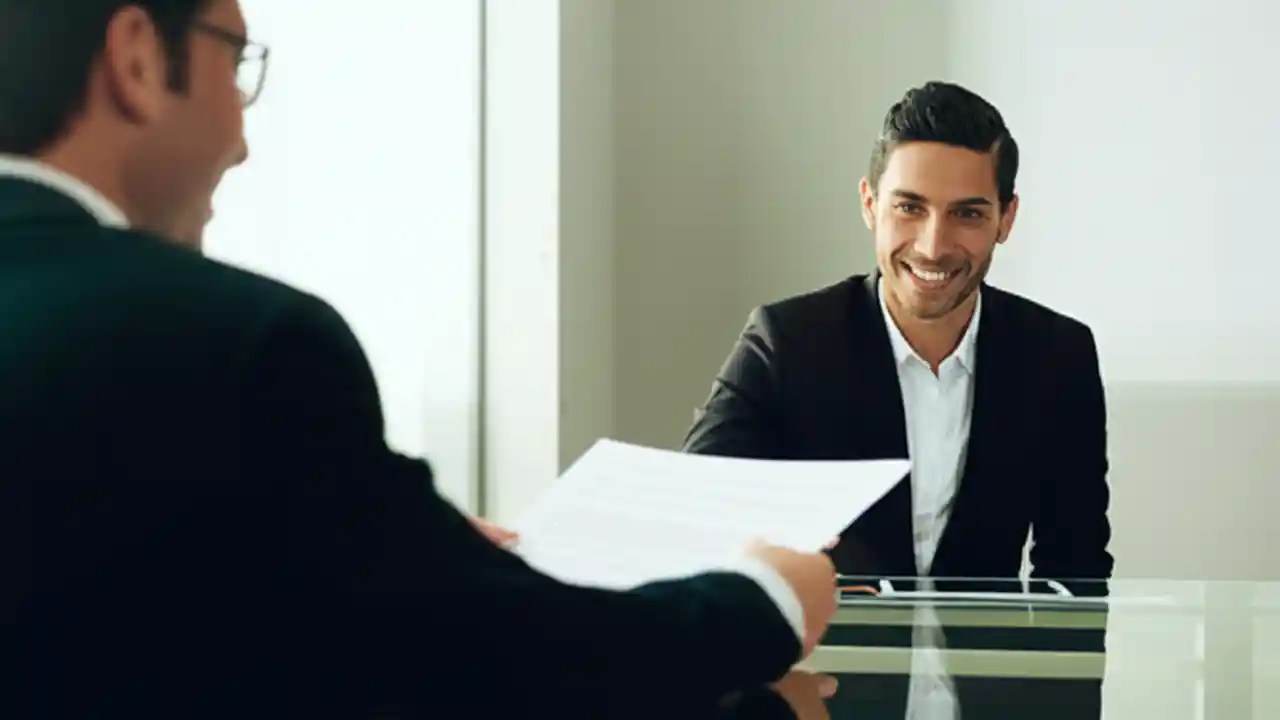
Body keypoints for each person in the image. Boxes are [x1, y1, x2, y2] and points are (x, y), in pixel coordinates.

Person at [0, 1, 839, 717]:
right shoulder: (241, 342)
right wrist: (760, 602)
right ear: (138, 58)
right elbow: (497, 665)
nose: (243, 139)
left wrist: (378, 532)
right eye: (236, 62)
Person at [684, 81, 1114, 585]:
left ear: (1006, 218)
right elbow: (699, 516)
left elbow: (1077, 566)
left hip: (985, 661)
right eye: (909, 207)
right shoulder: (786, 343)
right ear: (870, 204)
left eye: (967, 214)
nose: (933, 246)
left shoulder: (1058, 357)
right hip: (826, 657)